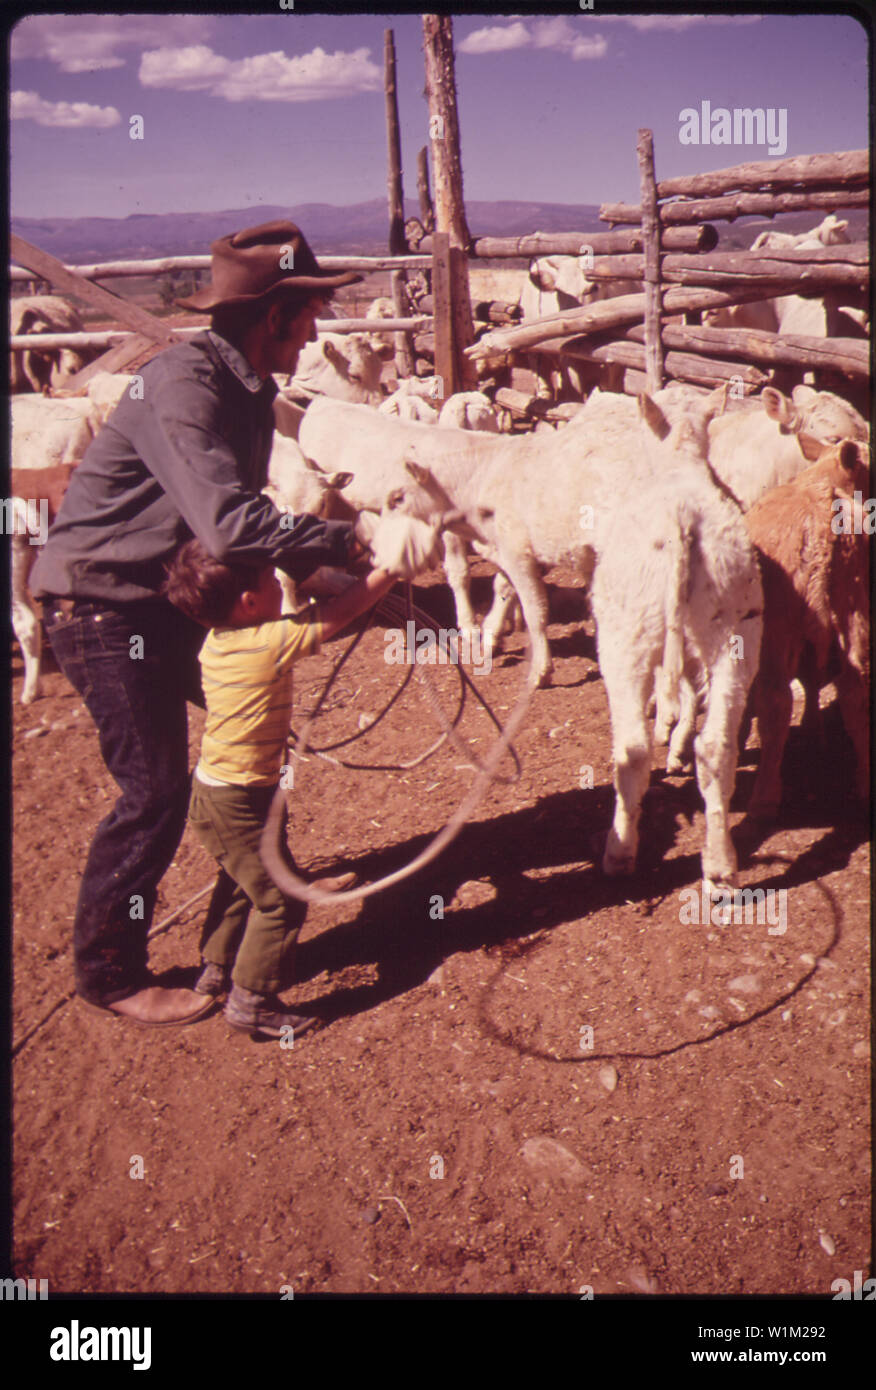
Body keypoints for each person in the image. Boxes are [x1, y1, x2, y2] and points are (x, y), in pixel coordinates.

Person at [30, 220, 371, 1026]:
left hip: (161, 597)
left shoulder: (243, 389)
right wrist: (352, 541)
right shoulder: (186, 387)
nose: (317, 328)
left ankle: (268, 885)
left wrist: (328, 573)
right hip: (103, 604)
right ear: (272, 317)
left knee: (247, 732)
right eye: (309, 312)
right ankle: (109, 973)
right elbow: (230, 528)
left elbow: (237, 527)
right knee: (153, 791)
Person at [162, 512, 439, 1040]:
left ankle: (217, 967)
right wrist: (388, 571)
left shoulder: (219, 643)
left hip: (224, 793)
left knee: (242, 880)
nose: (280, 586)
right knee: (281, 898)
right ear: (249, 603)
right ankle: (252, 998)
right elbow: (337, 614)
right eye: (272, 581)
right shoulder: (266, 643)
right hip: (237, 797)